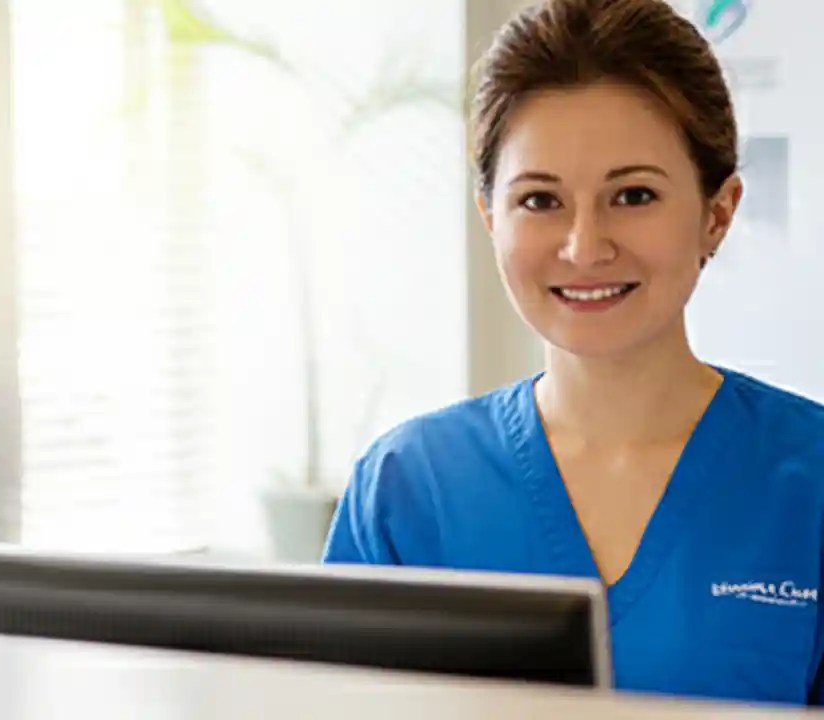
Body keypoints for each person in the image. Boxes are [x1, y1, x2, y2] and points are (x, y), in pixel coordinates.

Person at [323, 0, 824, 706]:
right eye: (539, 201)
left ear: (718, 212)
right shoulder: (409, 489)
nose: (584, 247)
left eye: (634, 194)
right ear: (489, 216)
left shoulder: (809, 483)